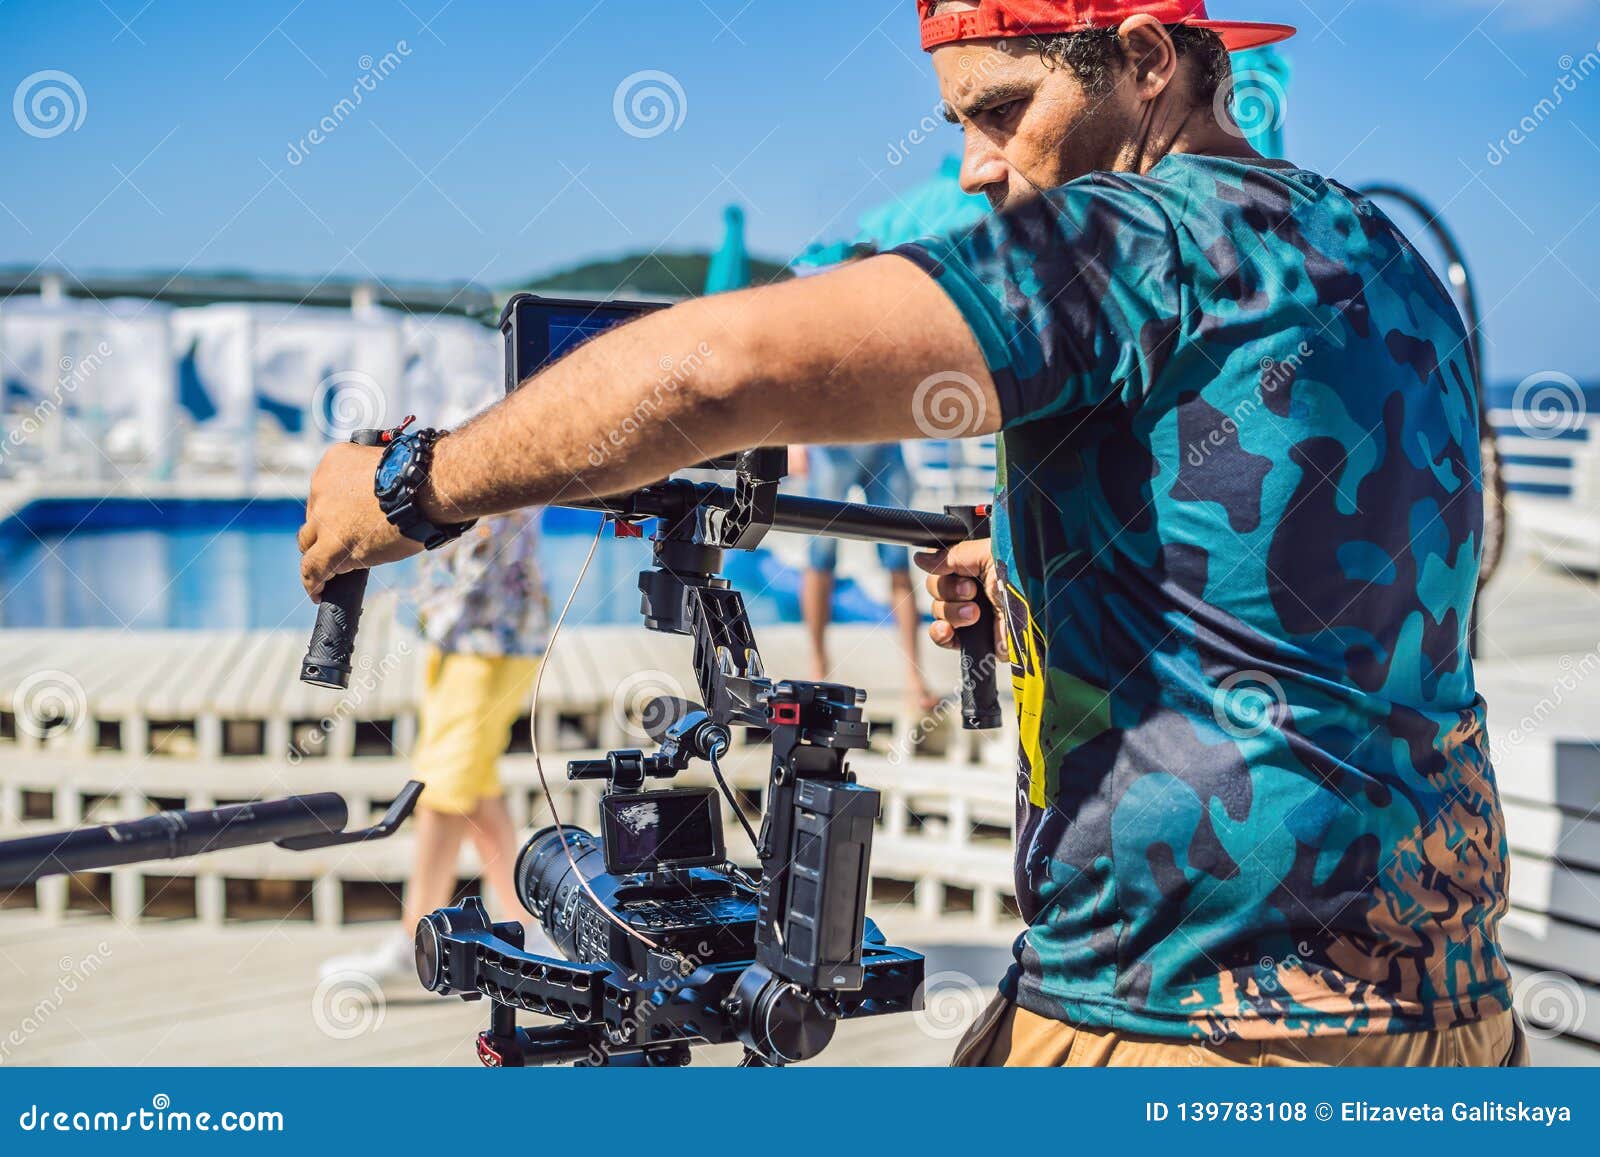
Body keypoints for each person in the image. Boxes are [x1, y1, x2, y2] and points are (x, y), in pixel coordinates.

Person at [300, 1, 1521, 1066]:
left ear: (1149, 60)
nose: (979, 171)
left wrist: (414, 486)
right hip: (1452, 1002)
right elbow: (1371, 555)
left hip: (1185, 1012)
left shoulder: (1132, 235)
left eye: (1004, 111)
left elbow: (715, 374)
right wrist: (1061, 572)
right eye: (958, 129)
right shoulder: (1382, 251)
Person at [321, 511, 548, 983]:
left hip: (487, 633)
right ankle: (529, 929)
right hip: (464, 630)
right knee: (474, 787)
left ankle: (414, 939)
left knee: (441, 788)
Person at [791, 441, 940, 711]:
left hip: (884, 438)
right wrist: (795, 440)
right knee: (820, 560)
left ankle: (914, 677)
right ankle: (818, 667)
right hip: (829, 441)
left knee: (897, 560)